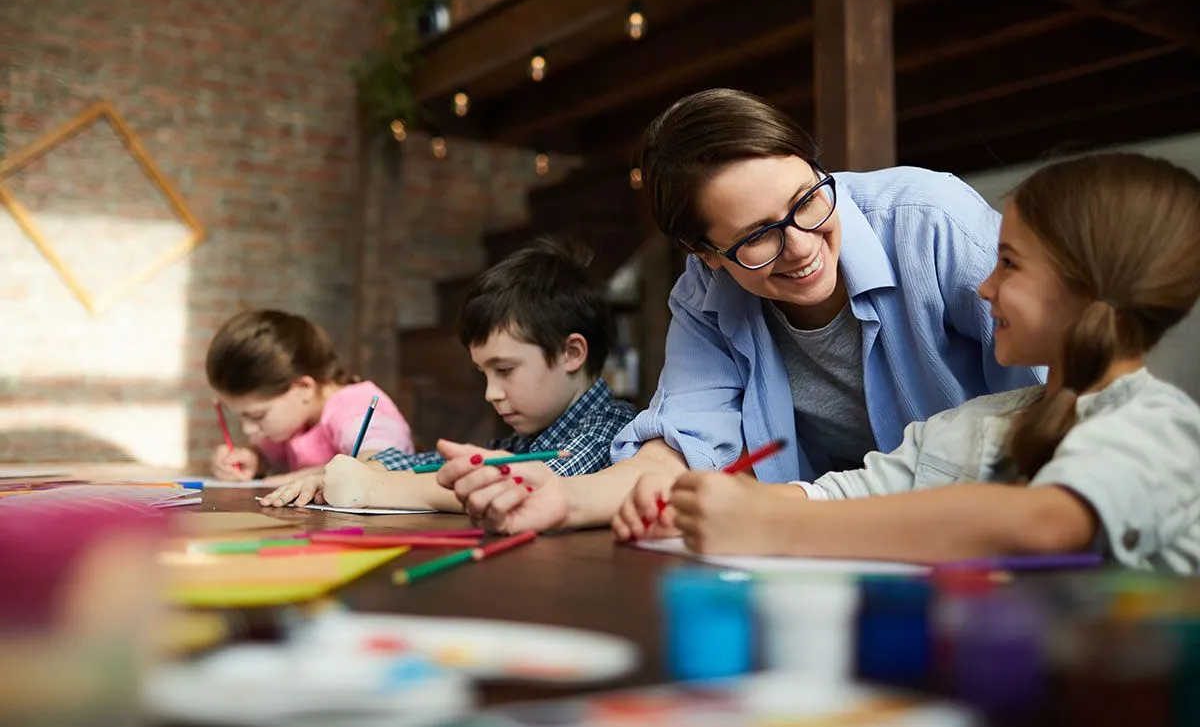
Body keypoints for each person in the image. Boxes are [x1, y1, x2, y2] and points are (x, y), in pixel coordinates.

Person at [437, 88, 1045, 535]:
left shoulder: (933, 225)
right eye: (758, 236)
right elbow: (680, 448)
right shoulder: (705, 297)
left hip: (1001, 520)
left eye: (807, 199)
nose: (803, 245)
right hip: (837, 535)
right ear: (705, 256)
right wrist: (564, 499)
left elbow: (1075, 385)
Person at [664, 153, 1200, 573]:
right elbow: (838, 494)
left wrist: (774, 525)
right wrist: (717, 502)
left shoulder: (1159, 426)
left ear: (1085, 283)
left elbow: (1042, 523)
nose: (985, 287)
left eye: (1008, 263)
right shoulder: (972, 424)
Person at [259, 239, 638, 512]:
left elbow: (527, 487)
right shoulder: (532, 438)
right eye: (484, 374)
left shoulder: (611, 430)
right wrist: (360, 469)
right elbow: (435, 465)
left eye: (505, 370)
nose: (491, 393)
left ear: (572, 353)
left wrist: (375, 486)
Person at [206, 309, 412, 483]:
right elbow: (269, 456)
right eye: (241, 416)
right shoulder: (293, 420)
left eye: (257, 416)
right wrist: (252, 459)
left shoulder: (355, 406)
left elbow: (381, 462)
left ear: (304, 387)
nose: (248, 429)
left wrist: (294, 479)